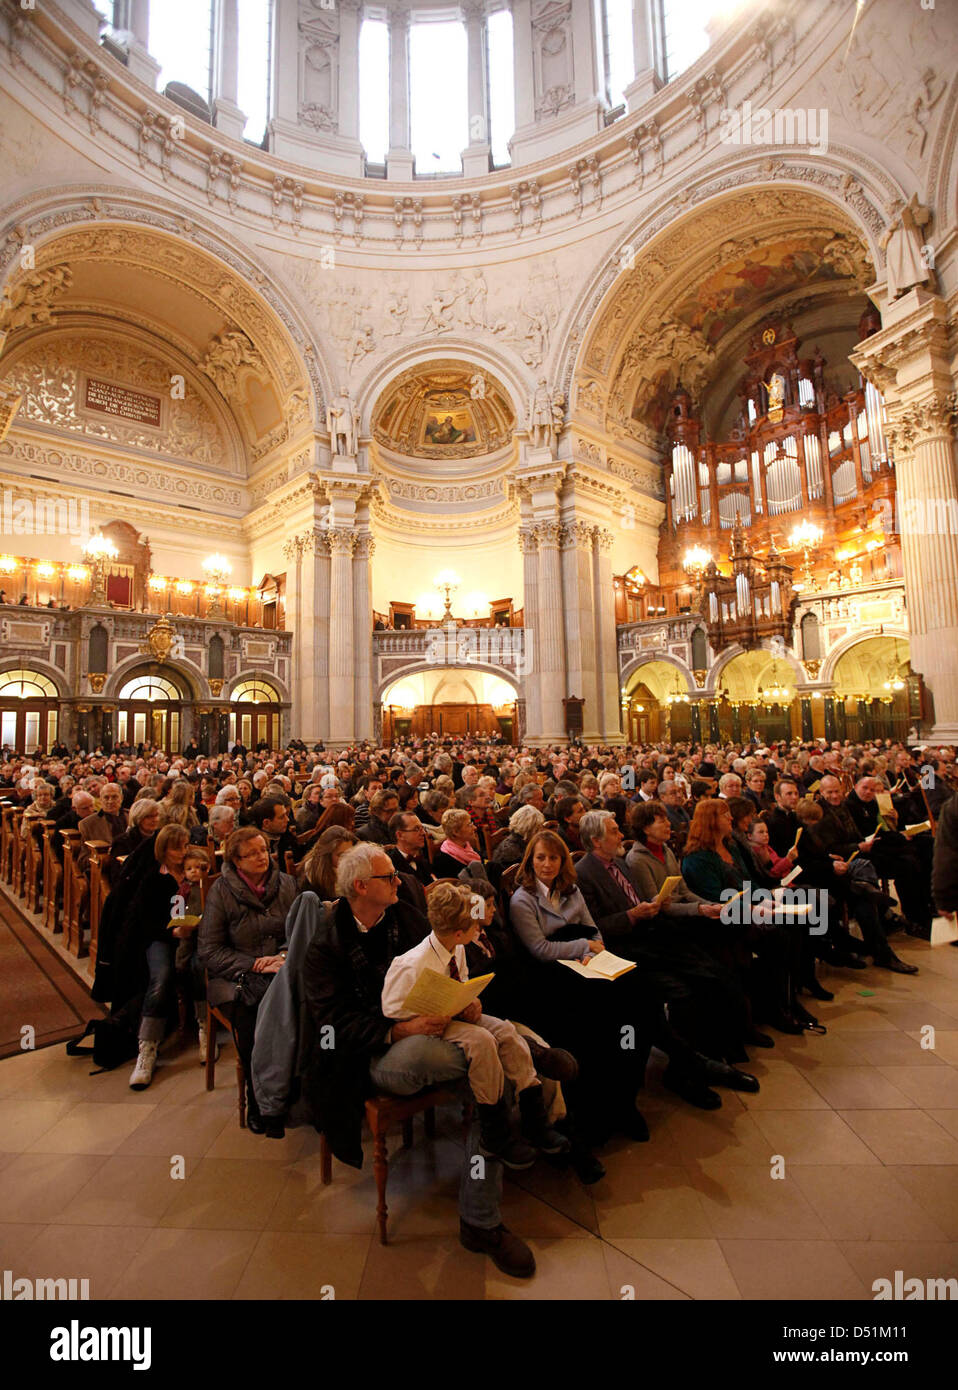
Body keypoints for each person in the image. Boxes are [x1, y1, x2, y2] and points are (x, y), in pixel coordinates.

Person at [302, 842, 536, 1279]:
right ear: (361, 886)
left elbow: (448, 956)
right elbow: (331, 1024)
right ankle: (525, 1060)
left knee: (486, 1065)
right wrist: (396, 1029)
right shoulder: (326, 943)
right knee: (484, 1052)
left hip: (435, 1028)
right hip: (372, 1053)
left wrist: (462, 1000)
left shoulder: (401, 914)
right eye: (389, 877)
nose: (399, 881)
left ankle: (479, 1219)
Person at [382, 881, 568, 1166]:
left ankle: (535, 1120)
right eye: (475, 928)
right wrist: (418, 1021)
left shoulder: (456, 948)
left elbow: (463, 981)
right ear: (458, 932)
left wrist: (470, 1001)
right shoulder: (412, 964)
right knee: (481, 1042)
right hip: (427, 1024)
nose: (480, 930)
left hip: (452, 1013)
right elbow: (390, 1006)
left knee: (505, 1031)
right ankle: (495, 1133)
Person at [198, 826, 298, 1132]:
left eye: (264, 850)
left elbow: (298, 928)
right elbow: (209, 950)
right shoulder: (221, 892)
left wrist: (282, 955)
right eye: (251, 853)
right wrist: (254, 964)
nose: (261, 858)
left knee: (313, 1009)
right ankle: (260, 1102)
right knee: (255, 1023)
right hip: (236, 977)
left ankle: (297, 1090)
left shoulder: (286, 883)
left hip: (281, 968)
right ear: (236, 861)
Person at [431, 807, 484, 878]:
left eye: (472, 823)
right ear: (456, 832)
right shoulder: (443, 861)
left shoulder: (469, 848)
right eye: (469, 825)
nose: (474, 827)